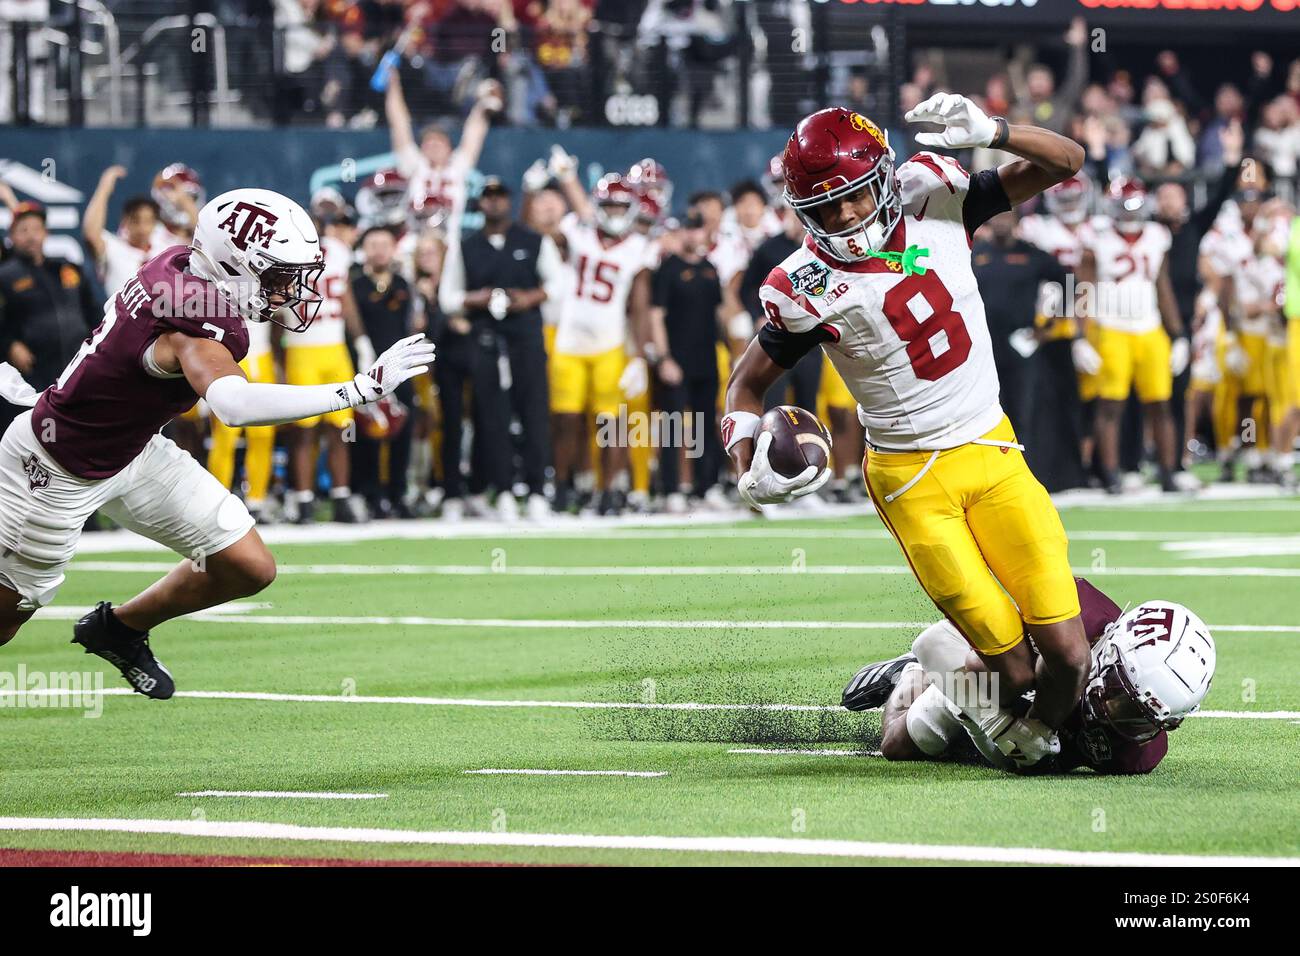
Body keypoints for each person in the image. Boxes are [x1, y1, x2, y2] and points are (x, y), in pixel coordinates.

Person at [723, 95, 1090, 767]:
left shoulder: (937, 196)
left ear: (887, 179)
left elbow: (1069, 161)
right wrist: (747, 468)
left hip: (992, 447)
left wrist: (995, 132)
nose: (844, 217)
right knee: (1013, 673)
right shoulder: (802, 283)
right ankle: (930, 682)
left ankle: (993, 714)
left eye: (856, 197)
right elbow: (747, 385)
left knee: (1068, 660)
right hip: (911, 478)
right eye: (824, 209)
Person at [0, 188, 434, 697]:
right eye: (277, 277)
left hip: (134, 450)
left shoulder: (181, 261)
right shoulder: (198, 317)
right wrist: (357, 390)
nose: (290, 291)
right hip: (57, 469)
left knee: (247, 565)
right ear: (233, 263)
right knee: (6, 623)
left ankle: (117, 628)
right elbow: (234, 405)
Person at [844, 580, 1216, 775]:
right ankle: (914, 675)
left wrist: (1028, 745)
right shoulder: (1069, 615)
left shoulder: (1138, 753)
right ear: (1110, 653)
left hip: (1039, 724)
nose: (1118, 718)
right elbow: (935, 642)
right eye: (1119, 697)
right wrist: (996, 722)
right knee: (897, 744)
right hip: (989, 674)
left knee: (1022, 758)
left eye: (1141, 719)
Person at [440, 177, 563, 520]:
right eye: (488, 197)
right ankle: (503, 489)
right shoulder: (467, 245)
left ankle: (537, 490)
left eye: (500, 196)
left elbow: (557, 282)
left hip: (525, 333)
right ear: (480, 203)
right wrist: (473, 298)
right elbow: (447, 297)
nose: (494, 203)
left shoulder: (533, 240)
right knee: (491, 415)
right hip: (486, 335)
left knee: (534, 411)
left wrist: (529, 297)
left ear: (509, 201)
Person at [549, 164, 658, 515]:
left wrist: (640, 355)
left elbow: (640, 306)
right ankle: (562, 486)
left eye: (619, 207)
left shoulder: (639, 247)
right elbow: (541, 235)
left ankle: (609, 489)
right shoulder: (576, 232)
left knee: (610, 423)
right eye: (608, 206)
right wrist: (549, 190)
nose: (613, 213)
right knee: (565, 421)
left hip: (609, 342)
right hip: (569, 341)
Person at [1078, 177, 1187, 494]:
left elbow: (1162, 285)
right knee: (1110, 405)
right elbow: (1084, 289)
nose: (1128, 213)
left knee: (1161, 403)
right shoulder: (1096, 236)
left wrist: (1178, 334)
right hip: (1111, 327)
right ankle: (1110, 474)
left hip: (1150, 326)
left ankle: (1168, 472)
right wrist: (1080, 337)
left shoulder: (1157, 235)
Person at [0, 202, 101, 432]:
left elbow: (93, 311)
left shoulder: (67, 269)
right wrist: (10, 345)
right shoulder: (4, 275)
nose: (31, 236)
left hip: (75, 368)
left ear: (46, 232)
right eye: (23, 230)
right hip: (31, 373)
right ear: (12, 236)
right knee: (32, 433)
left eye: (36, 229)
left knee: (78, 432)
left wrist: (99, 342)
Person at [648, 213, 725, 510]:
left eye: (699, 229)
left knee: (706, 425)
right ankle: (671, 489)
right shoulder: (668, 269)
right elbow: (656, 316)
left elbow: (718, 315)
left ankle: (706, 487)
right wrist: (664, 358)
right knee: (673, 426)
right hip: (677, 359)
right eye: (689, 229)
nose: (694, 236)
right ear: (681, 233)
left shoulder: (710, 270)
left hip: (707, 358)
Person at [351, 226, 418, 518]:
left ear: (394, 249)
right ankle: (370, 493)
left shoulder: (403, 283)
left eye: (384, 244)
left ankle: (397, 493)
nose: (378, 250)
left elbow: (413, 325)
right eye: (372, 244)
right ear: (364, 249)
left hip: (401, 369)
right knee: (367, 432)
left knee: (403, 429)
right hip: (366, 369)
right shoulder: (356, 286)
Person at [81, 165, 167, 299]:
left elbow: (196, 235)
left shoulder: (165, 250)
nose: (142, 228)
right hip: (123, 318)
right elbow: (91, 233)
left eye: (148, 221)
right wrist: (105, 188)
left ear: (155, 223)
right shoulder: (113, 248)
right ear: (125, 221)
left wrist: (179, 196)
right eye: (136, 220)